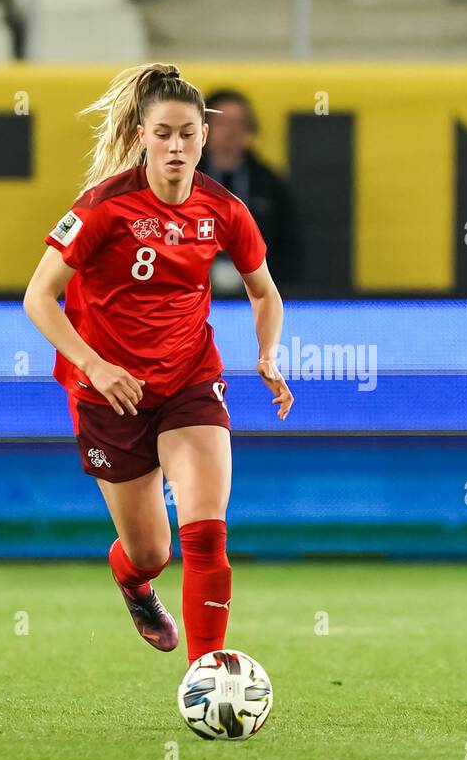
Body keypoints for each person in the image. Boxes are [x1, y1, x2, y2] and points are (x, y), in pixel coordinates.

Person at [23, 62, 294, 665]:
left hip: (189, 379)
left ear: (205, 137)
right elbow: (38, 297)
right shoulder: (99, 209)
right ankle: (134, 582)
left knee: (206, 533)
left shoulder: (224, 209)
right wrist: (94, 365)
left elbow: (264, 291)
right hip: (109, 393)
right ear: (141, 136)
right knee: (151, 552)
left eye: (189, 134)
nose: (177, 146)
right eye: (164, 133)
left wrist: (268, 352)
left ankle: (207, 676)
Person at [196, 89, 303, 292]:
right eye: (223, 123)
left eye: (239, 123)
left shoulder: (270, 185)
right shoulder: (179, 179)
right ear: (202, 128)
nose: (231, 131)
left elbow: (289, 247)